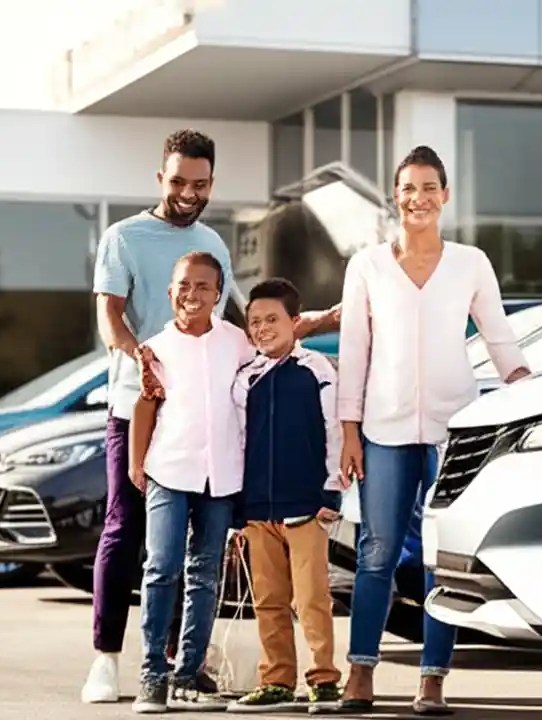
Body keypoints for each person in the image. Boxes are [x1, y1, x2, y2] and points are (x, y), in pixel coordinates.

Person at [84, 128, 337, 704]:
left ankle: (183, 664)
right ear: (160, 178)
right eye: (178, 182)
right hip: (137, 406)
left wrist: (320, 322)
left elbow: (251, 329)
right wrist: (142, 359)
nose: (188, 192)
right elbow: (110, 318)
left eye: (199, 184)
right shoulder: (123, 238)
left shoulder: (213, 246)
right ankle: (107, 657)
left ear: (211, 184)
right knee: (130, 535)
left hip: (207, 431)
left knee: (199, 560)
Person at [335, 145, 531, 715]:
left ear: (445, 196)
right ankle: (361, 674)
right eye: (407, 189)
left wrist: (524, 383)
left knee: (440, 559)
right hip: (383, 429)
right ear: (395, 198)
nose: (417, 198)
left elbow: (498, 338)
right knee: (376, 553)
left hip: (454, 433)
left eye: (428, 188)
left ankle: (432, 679)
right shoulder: (366, 265)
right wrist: (349, 431)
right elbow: (355, 351)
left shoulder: (471, 263)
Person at [127, 251, 252, 713]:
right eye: (184, 285)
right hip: (169, 470)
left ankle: (189, 672)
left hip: (221, 474)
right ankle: (152, 674)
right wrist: (136, 464)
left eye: (203, 286)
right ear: (170, 291)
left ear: (218, 295)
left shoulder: (237, 342)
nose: (192, 294)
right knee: (161, 569)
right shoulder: (156, 347)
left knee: (205, 573)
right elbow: (145, 404)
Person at [227, 278, 348, 715]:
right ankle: (277, 681)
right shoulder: (246, 379)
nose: (262, 328)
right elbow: (237, 443)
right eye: (255, 322)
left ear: (295, 322)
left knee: (312, 596)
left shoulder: (316, 370)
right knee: (269, 599)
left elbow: (334, 433)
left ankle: (323, 681)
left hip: (306, 506)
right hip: (258, 509)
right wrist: (239, 506)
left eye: (272, 319)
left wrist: (331, 493)